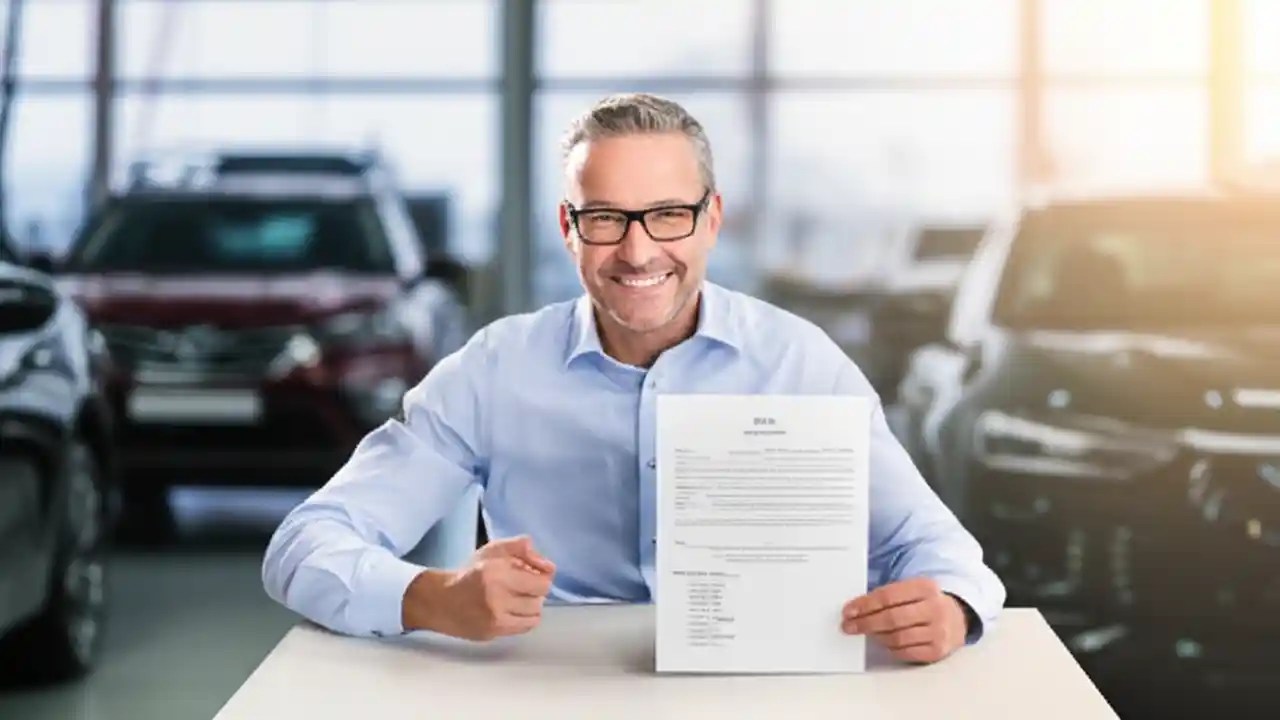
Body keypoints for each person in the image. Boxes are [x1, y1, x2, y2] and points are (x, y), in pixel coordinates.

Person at [263, 93, 1005, 665]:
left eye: (668, 215)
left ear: (712, 220)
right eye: (607, 218)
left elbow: (940, 552)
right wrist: (434, 597)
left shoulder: (799, 363)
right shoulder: (496, 369)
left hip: (773, 690)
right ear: (569, 228)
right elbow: (304, 546)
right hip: (549, 689)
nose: (638, 249)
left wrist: (949, 607)